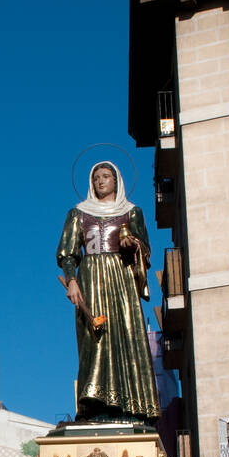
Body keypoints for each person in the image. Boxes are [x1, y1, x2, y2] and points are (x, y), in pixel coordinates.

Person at [56, 160, 161, 423]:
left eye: (106, 176)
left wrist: (132, 244)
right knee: (94, 337)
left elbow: (145, 249)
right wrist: (71, 280)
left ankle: (129, 404)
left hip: (120, 279)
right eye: (96, 178)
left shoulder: (132, 212)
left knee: (124, 334)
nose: (100, 181)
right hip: (90, 278)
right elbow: (68, 252)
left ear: (116, 181)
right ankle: (94, 401)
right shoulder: (78, 213)